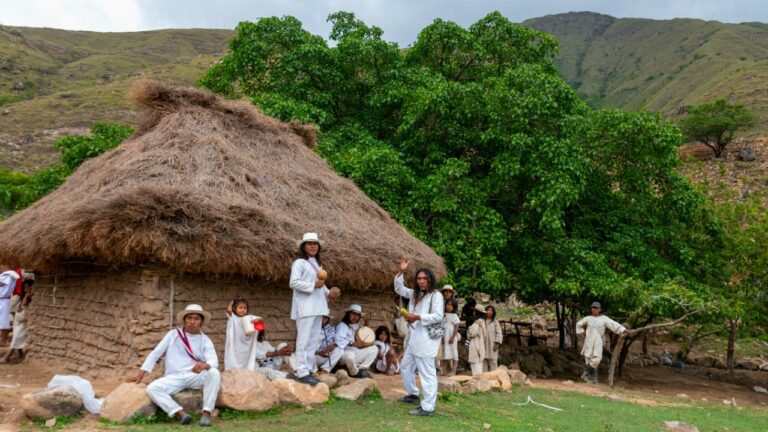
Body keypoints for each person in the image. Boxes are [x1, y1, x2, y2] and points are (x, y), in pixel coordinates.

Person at [127, 304, 220, 427]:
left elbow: (213, 361)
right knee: (152, 388)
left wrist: (205, 366)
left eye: (196, 319)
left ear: (201, 322)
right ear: (184, 320)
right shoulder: (173, 335)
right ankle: (180, 413)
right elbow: (156, 353)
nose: (192, 321)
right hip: (174, 377)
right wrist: (141, 374)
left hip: (194, 376)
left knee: (214, 373)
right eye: (189, 318)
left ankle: (206, 414)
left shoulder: (205, 340)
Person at [394, 257, 444, 417]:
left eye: (424, 279)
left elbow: (438, 316)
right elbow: (399, 289)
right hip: (414, 339)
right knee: (405, 366)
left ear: (430, 280)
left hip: (427, 340)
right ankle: (413, 394)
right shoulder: (414, 294)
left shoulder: (436, 296)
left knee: (427, 373)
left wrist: (418, 317)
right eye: (419, 279)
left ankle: (428, 407)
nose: (421, 281)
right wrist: (401, 271)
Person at [289, 232, 340, 385]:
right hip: (305, 308)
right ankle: (301, 371)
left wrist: (329, 293)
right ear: (303, 247)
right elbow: (293, 283)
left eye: (315, 243)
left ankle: (310, 369)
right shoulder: (299, 263)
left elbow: (321, 287)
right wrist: (312, 285)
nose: (313, 246)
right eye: (309, 243)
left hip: (318, 308)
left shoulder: (318, 265)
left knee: (312, 342)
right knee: (303, 341)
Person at [576, 302, 629, 384]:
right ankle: (593, 380)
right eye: (593, 308)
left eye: (596, 308)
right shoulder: (587, 318)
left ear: (600, 310)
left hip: (598, 341)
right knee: (588, 359)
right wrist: (582, 332)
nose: (594, 309)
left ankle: (585, 374)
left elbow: (613, 324)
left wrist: (623, 329)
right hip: (589, 341)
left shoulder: (604, 319)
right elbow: (578, 324)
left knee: (597, 358)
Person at [335, 304, 378, 378]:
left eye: (357, 315)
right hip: (344, 354)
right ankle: (354, 372)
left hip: (355, 353)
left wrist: (366, 326)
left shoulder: (356, 326)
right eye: (353, 314)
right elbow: (338, 340)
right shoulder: (342, 326)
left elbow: (360, 336)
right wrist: (352, 343)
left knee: (375, 349)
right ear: (348, 314)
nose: (355, 317)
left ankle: (361, 369)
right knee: (350, 356)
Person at [1, 279, 33, 364]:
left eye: (28, 287)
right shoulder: (23, 296)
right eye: (24, 287)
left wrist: (27, 295)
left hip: (23, 321)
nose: (26, 289)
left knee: (16, 338)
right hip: (17, 320)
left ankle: (5, 357)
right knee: (17, 336)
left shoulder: (29, 296)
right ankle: (20, 355)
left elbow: (24, 304)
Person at [0, 264, 21, 347]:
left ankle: (3, 341)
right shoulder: (7, 275)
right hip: (2, 300)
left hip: (4, 301)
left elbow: (2, 283)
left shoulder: (9, 275)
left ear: (5, 266)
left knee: (4, 322)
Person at [440, 298, 460, 376]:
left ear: (454, 307)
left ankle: (453, 371)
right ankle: (444, 371)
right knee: (444, 354)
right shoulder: (443, 315)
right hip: (444, 337)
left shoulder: (454, 315)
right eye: (448, 304)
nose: (449, 306)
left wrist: (452, 337)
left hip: (451, 337)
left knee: (454, 353)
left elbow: (456, 326)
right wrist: (441, 337)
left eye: (451, 305)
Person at [467, 305, 487, 376]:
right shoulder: (483, 321)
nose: (473, 312)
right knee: (479, 364)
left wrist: (468, 330)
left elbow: (472, 333)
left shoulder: (477, 323)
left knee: (475, 365)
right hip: (480, 345)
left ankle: (476, 382)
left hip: (476, 345)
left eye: (474, 311)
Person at [483, 305, 503, 372]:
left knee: (493, 361)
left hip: (492, 344)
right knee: (484, 360)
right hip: (483, 344)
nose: (489, 312)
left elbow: (499, 333)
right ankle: (484, 376)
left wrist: (497, 343)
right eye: (488, 310)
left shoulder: (495, 322)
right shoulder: (482, 321)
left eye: (491, 310)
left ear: (493, 312)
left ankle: (494, 376)